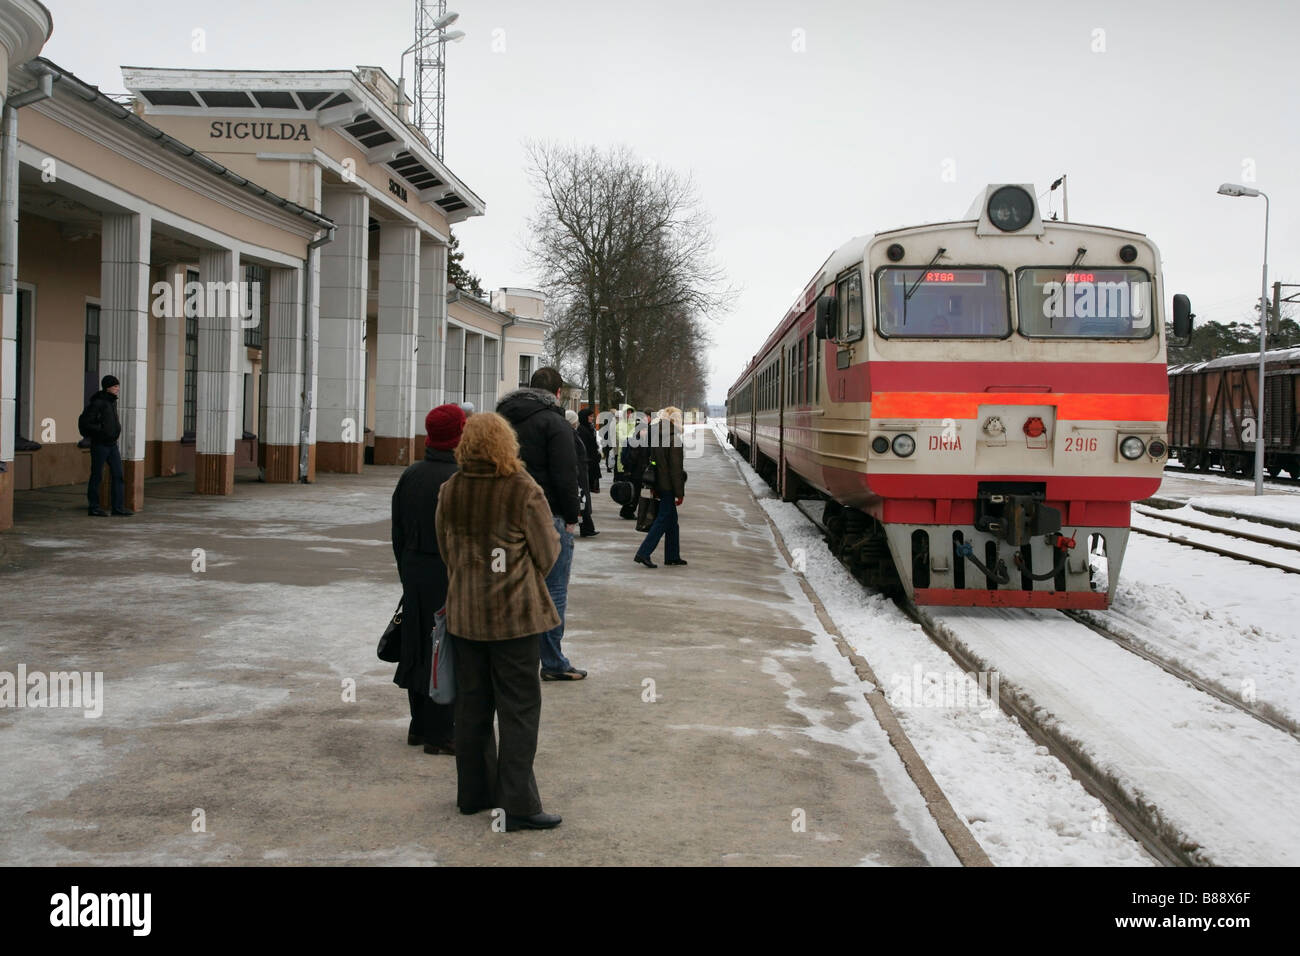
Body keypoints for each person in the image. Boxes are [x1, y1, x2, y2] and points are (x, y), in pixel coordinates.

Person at [435, 412, 563, 831]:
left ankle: (473, 794)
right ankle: (518, 804)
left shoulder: (451, 489)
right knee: (520, 710)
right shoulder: (522, 489)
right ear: (507, 444)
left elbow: (447, 551)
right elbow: (548, 553)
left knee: (472, 707)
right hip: (515, 622)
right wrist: (518, 579)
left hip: (466, 618)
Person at [496, 367, 586, 681]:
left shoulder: (501, 419)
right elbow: (565, 475)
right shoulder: (555, 422)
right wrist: (572, 517)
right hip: (548, 517)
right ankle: (552, 661)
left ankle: (509, 657)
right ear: (558, 393)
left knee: (508, 586)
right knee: (553, 590)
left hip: (504, 516)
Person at [390, 404, 464, 755]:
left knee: (417, 645)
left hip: (414, 570)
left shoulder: (412, 474)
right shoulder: (459, 478)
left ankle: (418, 726)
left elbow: (398, 531)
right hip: (447, 572)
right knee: (445, 650)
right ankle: (440, 732)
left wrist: (406, 571)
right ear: (458, 436)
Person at [634, 407, 688, 569]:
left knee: (672, 521)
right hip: (669, 486)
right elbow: (676, 469)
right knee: (663, 519)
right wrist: (680, 493)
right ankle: (643, 552)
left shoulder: (658, 434)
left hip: (660, 483)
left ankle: (672, 555)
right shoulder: (674, 438)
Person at [81, 374, 131, 517]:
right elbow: (86, 423)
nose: (117, 389)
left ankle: (118, 507)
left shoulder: (111, 402)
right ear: (108, 387)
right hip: (100, 444)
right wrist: (101, 430)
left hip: (112, 445)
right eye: (115, 386)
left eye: (118, 386)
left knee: (118, 475)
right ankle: (94, 507)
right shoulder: (98, 403)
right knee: (97, 475)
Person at [566, 409, 598, 538]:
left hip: (581, 470)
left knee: (583, 500)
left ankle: (587, 527)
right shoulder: (573, 434)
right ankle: (586, 527)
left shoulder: (575, 433)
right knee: (582, 501)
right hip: (578, 471)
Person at [618, 415, 650, 521]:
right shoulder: (635, 442)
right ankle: (627, 511)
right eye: (643, 430)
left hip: (638, 471)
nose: (645, 432)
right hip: (634, 472)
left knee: (634, 493)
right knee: (633, 494)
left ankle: (627, 510)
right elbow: (631, 458)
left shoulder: (643, 441)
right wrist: (629, 470)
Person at [577, 407, 601, 496]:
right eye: (590, 416)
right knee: (585, 487)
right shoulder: (582, 430)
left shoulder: (589, 428)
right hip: (588, 462)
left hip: (592, 461)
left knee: (589, 487)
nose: (592, 418)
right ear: (584, 417)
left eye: (592, 416)